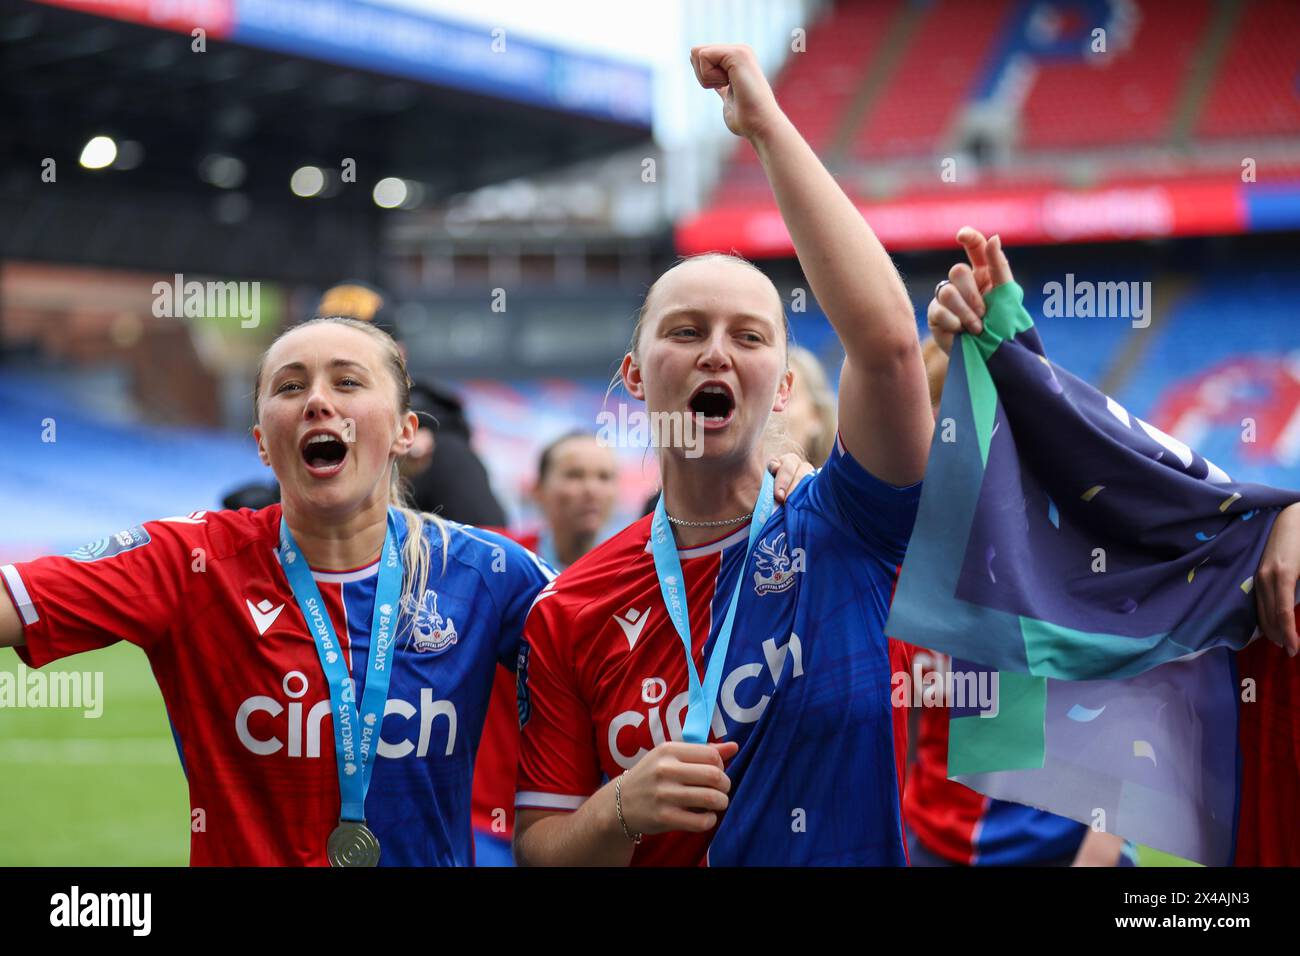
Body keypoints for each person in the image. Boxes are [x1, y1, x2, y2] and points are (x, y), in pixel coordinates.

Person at [512, 44, 933, 866]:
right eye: (684, 331)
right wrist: (620, 810)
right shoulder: (571, 609)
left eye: (748, 337)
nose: (715, 354)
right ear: (635, 377)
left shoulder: (847, 526)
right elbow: (541, 850)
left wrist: (766, 128)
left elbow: (887, 347)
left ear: (781, 388)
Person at [0, 314, 553, 866]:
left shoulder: (490, 573)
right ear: (263, 443)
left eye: (348, 382)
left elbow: (611, 646)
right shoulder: (190, 562)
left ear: (406, 432)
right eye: (290, 387)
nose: (316, 401)